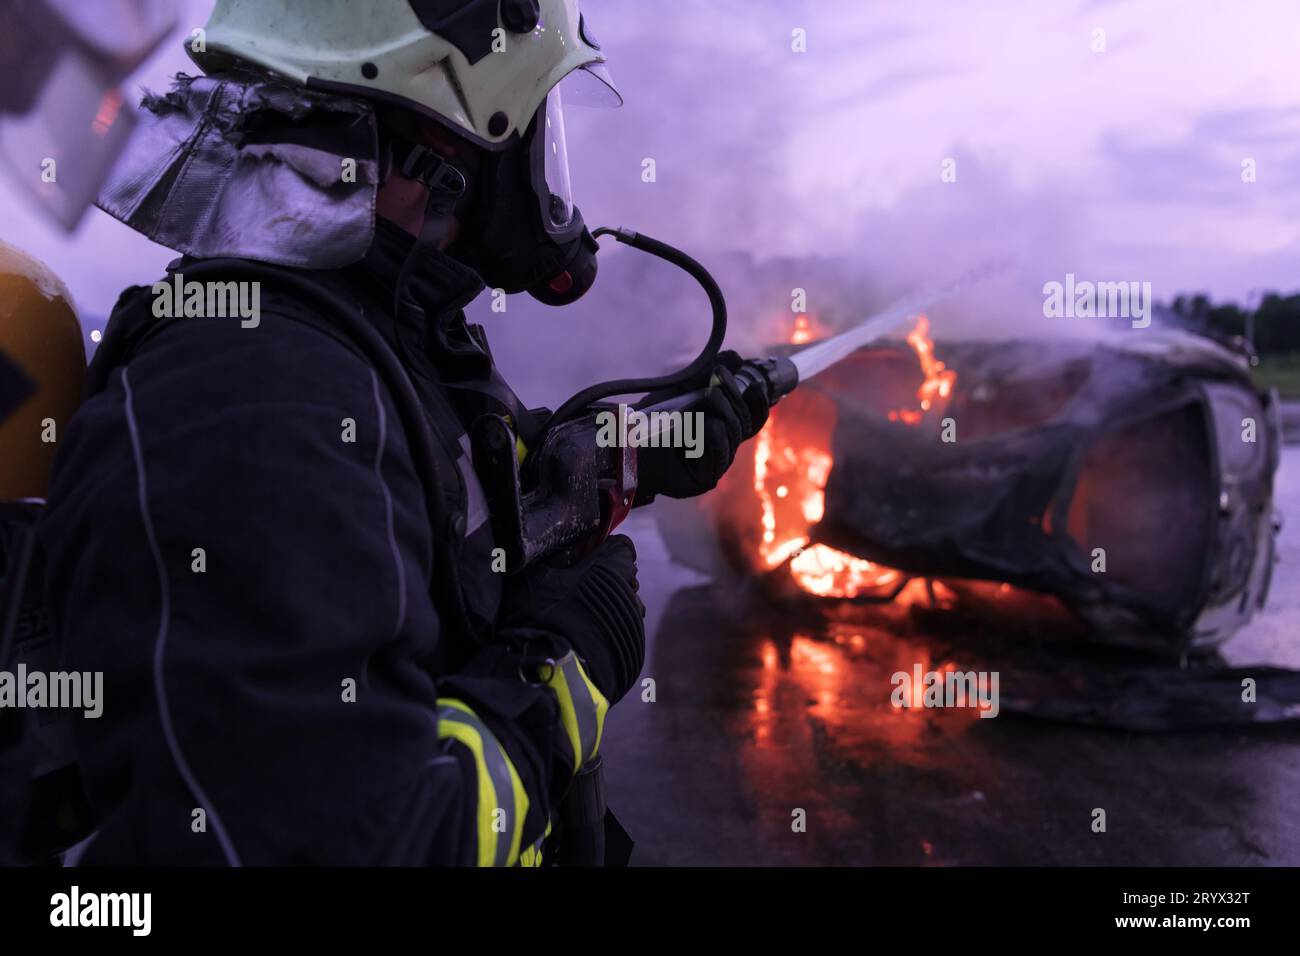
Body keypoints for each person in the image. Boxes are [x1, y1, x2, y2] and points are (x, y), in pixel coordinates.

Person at [36, 0, 768, 866]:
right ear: (448, 147)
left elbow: (449, 499)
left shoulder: (371, 329)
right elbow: (367, 843)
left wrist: (626, 453)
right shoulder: (251, 407)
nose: (540, 171)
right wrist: (563, 663)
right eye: (532, 126)